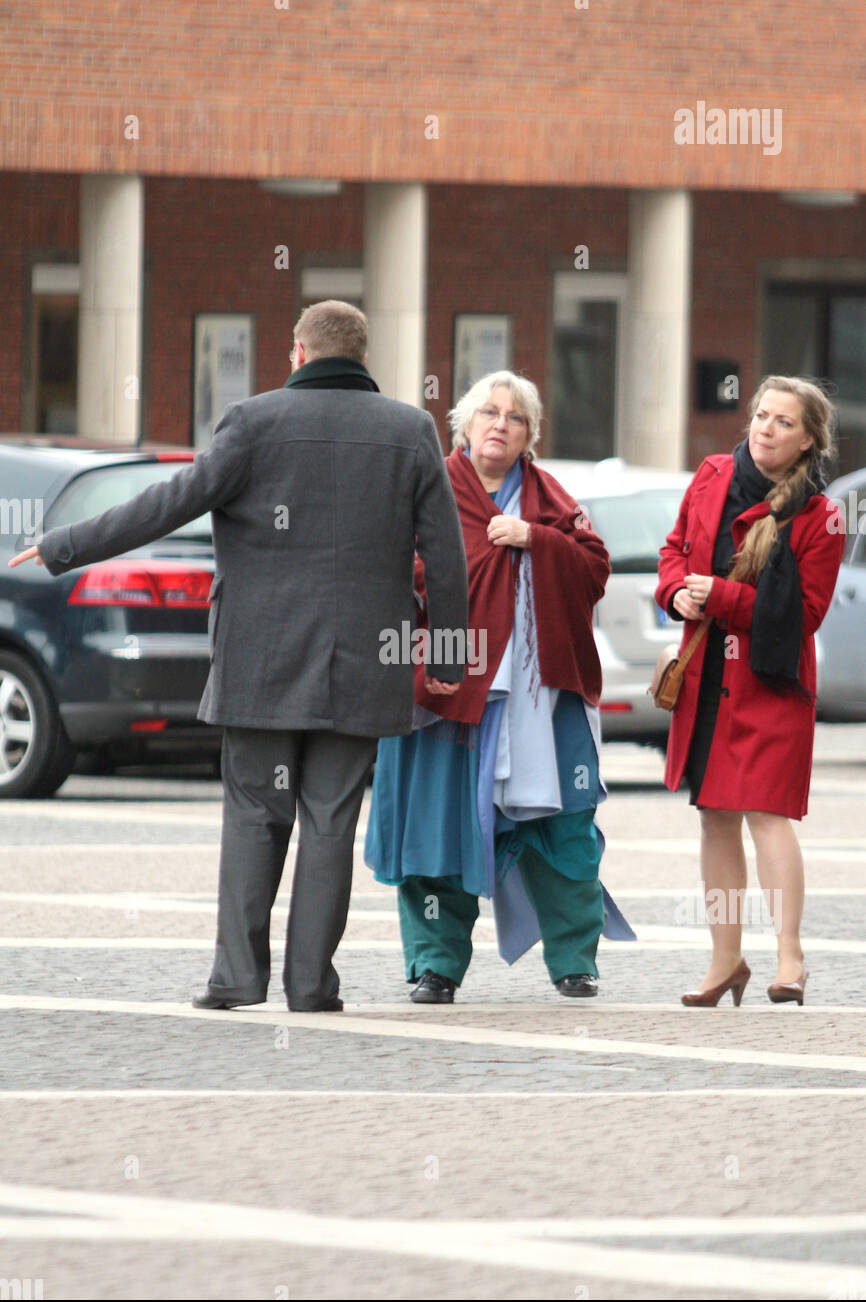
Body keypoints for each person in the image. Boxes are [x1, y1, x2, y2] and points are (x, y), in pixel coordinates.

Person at [10, 300, 468, 1012]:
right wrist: (447, 654)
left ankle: (236, 979)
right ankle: (312, 986)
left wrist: (68, 545)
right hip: (365, 663)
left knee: (256, 812)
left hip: (263, 657)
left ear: (297, 352)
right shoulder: (409, 431)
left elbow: (169, 502)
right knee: (330, 820)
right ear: (362, 354)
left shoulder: (254, 423)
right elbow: (446, 554)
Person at [365, 370, 633, 1004]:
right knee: (436, 827)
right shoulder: (431, 489)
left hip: (542, 701)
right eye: (489, 412)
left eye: (515, 418)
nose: (500, 424)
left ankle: (575, 960)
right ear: (463, 423)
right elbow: (388, 575)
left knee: (564, 830)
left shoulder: (550, 499)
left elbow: (594, 567)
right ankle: (434, 964)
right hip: (445, 693)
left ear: (529, 435)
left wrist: (535, 540)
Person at [656, 375, 845, 1008]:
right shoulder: (711, 473)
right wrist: (675, 591)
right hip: (707, 674)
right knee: (715, 820)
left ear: (807, 440)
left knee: (769, 816)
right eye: (760, 415)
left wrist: (722, 595)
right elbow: (675, 551)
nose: (764, 428)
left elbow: (805, 614)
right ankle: (724, 959)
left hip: (770, 682)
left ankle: (789, 959)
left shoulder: (822, 514)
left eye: (782, 422)